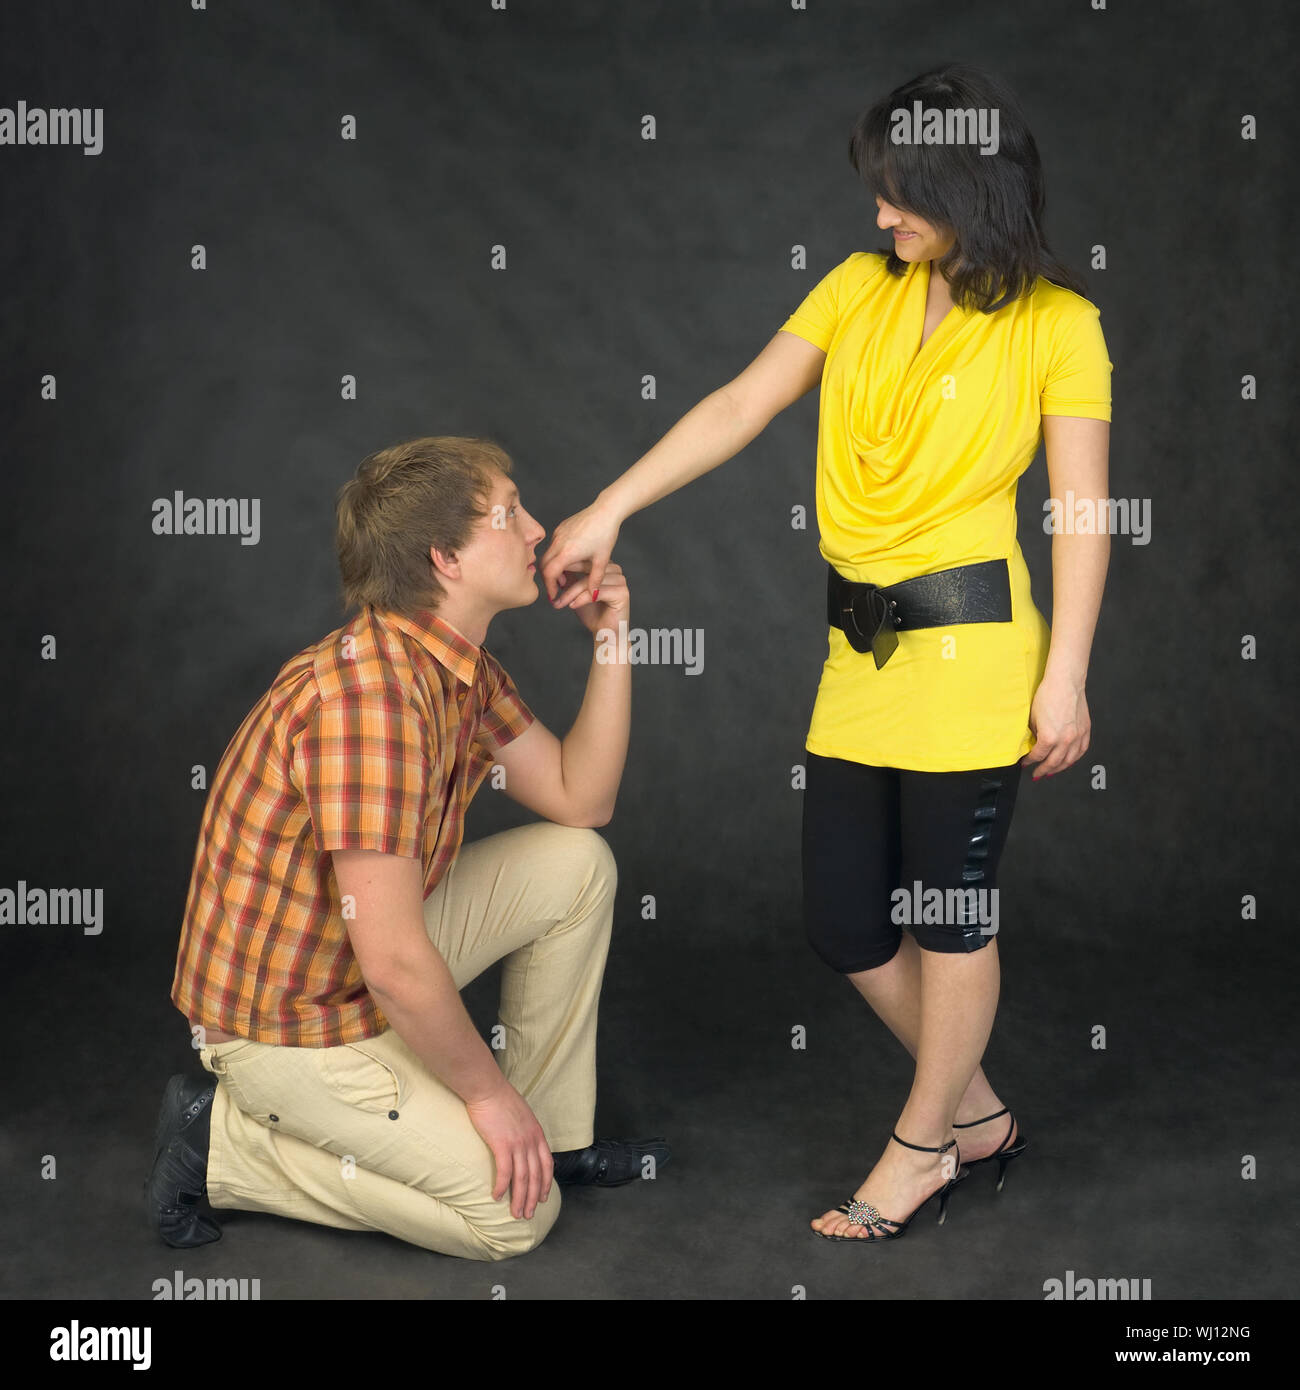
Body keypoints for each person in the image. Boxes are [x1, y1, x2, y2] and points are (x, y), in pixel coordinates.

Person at [538, 63, 1112, 1243]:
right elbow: (739, 406)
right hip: (861, 655)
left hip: (978, 651)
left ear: (968, 187)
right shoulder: (856, 289)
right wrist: (608, 506)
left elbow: (1082, 511)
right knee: (845, 919)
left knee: (950, 912)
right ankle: (979, 1116)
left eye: (902, 195)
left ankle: (918, 1150)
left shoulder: (1063, 326)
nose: (881, 215)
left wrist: (1067, 677)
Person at [146, 435, 669, 1261]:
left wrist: (614, 635)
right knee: (510, 1224)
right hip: (292, 1026)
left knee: (574, 865)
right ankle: (221, 1145)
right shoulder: (371, 700)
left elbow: (582, 798)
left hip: (350, 969)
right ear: (445, 558)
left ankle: (553, 1142)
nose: (537, 530)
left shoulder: (451, 667)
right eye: (510, 513)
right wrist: (486, 1094)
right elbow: (392, 960)